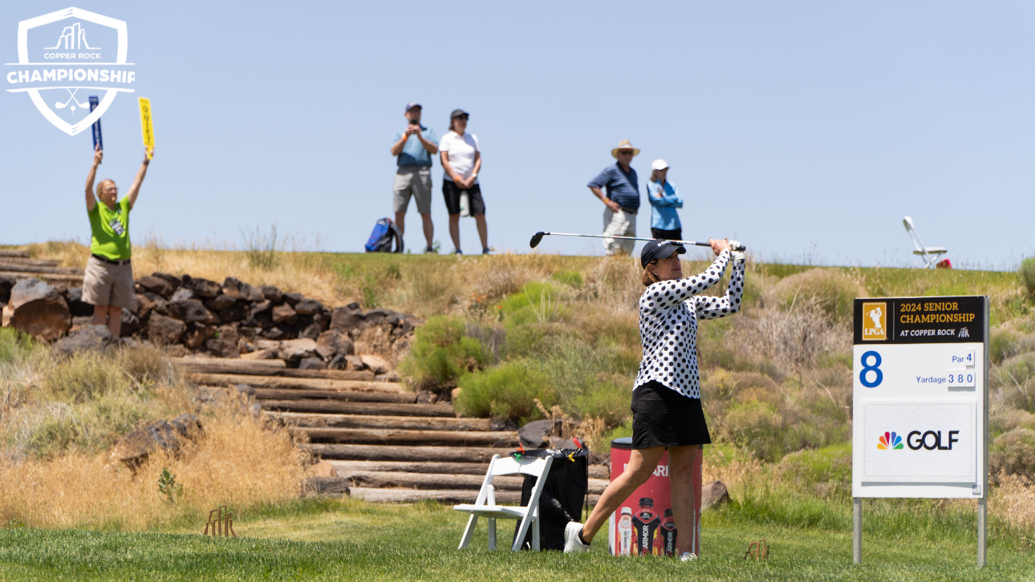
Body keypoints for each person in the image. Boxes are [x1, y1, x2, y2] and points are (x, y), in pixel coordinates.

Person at [563, 237, 746, 561]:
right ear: (652, 269)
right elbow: (709, 279)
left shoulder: (688, 303)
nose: (676, 261)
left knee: (684, 471)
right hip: (656, 391)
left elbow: (731, 303)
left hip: (687, 395)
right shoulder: (655, 295)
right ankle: (582, 534)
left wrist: (740, 261)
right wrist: (725, 254)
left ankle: (687, 554)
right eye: (668, 258)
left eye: (678, 255)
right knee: (638, 471)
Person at [83, 144, 153, 337]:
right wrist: (95, 165)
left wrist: (145, 161)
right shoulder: (96, 210)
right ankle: (97, 348)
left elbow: (136, 183)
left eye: (115, 189)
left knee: (115, 310)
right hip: (101, 266)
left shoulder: (123, 207)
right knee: (101, 308)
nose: (114, 192)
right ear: (101, 193)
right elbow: (87, 189)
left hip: (123, 267)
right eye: (109, 189)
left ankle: (112, 349)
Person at [390, 102, 438, 253]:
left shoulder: (428, 132)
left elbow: (435, 149)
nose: (415, 113)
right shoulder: (399, 133)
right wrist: (406, 136)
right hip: (403, 172)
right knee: (399, 212)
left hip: (422, 172)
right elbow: (393, 151)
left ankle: (429, 248)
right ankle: (398, 248)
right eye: (412, 111)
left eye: (418, 111)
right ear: (406, 115)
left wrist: (420, 136)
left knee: (425, 212)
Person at [439, 109, 488, 255]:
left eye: (466, 118)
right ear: (453, 121)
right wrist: (456, 178)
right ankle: (458, 250)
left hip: (472, 182)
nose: (463, 121)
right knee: (454, 215)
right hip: (451, 182)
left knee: (480, 213)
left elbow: (478, 159)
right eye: (460, 118)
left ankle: (485, 248)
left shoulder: (472, 138)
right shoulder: (446, 138)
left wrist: (472, 176)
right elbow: (444, 160)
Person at [587, 140, 641, 255]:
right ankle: (611, 269)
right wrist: (607, 201)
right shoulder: (612, 169)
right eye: (624, 152)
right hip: (618, 212)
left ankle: (622, 269)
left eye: (629, 152)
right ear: (618, 154)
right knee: (614, 242)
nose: (627, 155)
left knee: (629, 245)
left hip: (631, 214)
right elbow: (593, 184)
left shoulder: (633, 172)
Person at [646, 159, 683, 241]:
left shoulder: (672, 185)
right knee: (660, 252)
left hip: (674, 225)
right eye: (661, 170)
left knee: (676, 252)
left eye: (665, 169)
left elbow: (680, 202)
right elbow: (656, 201)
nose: (664, 172)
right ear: (655, 172)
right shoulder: (651, 185)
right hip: (658, 225)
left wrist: (663, 198)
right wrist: (673, 199)